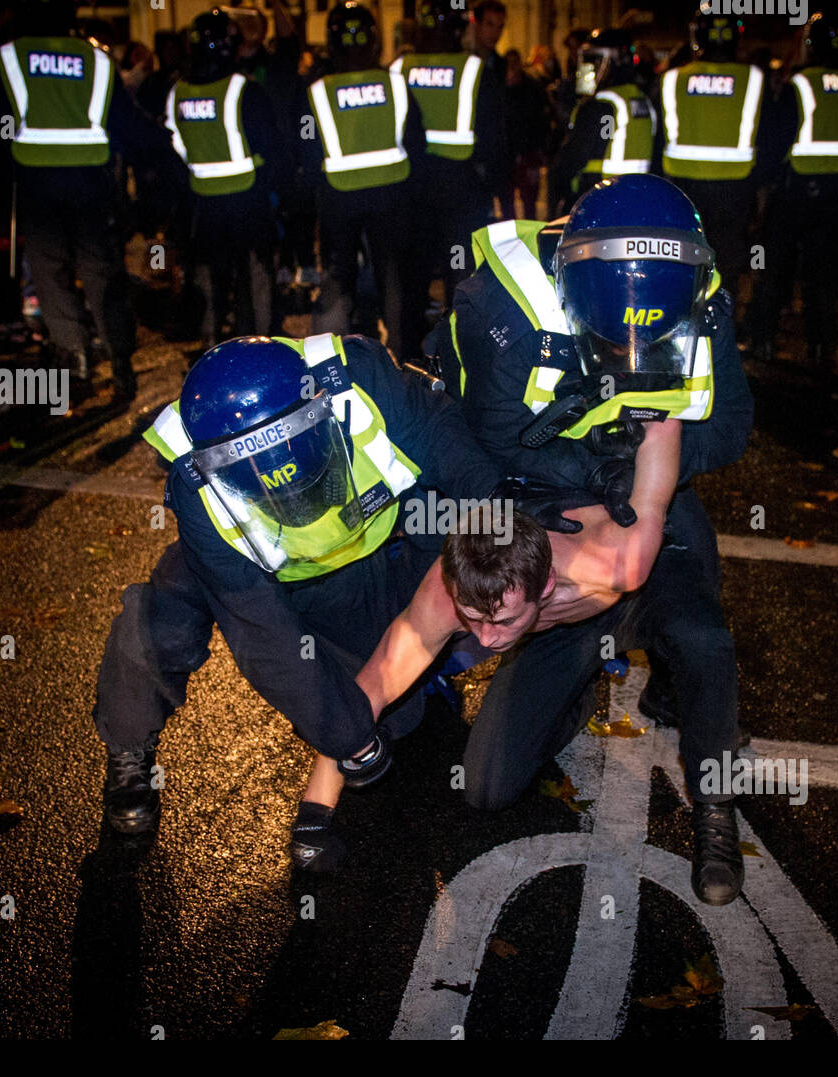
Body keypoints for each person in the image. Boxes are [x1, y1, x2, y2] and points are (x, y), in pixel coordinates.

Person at [423, 175, 754, 905]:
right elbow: (488, 443)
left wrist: (634, 478)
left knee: (703, 637)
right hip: (544, 507)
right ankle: (582, 665)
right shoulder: (496, 305)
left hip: (645, 493)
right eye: (612, 335)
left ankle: (716, 805)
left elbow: (728, 426)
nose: (630, 350)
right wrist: (597, 471)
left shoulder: (697, 293)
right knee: (485, 788)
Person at [93, 331, 504, 835]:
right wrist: (347, 736)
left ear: (323, 407)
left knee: (398, 719)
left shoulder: (365, 383)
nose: (287, 490)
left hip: (375, 550)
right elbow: (263, 633)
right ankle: (129, 746)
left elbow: (466, 468)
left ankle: (420, 659)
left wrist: (513, 540)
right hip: (269, 575)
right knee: (162, 615)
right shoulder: (194, 482)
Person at [0, 0, 176, 400]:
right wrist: (165, 148)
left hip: (38, 185)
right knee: (102, 276)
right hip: (91, 186)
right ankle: (120, 359)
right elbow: (124, 123)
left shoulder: (10, 58)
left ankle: (75, 355)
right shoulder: (95, 60)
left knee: (50, 273)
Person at [747, 12, 838, 368]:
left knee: (775, 271)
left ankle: (764, 341)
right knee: (824, 277)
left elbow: (774, 139)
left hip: (795, 190)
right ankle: (822, 347)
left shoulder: (801, 84)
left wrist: (764, 187)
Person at [301, 0, 424, 357]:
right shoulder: (396, 85)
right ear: (373, 41)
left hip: (339, 199)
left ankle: (330, 361)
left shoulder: (316, 91)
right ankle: (402, 359)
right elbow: (417, 142)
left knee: (339, 277)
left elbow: (307, 148)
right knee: (393, 279)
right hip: (392, 196)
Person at [391, 0, 504, 349]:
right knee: (461, 278)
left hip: (410, 187)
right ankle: (460, 355)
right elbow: (495, 135)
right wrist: (490, 187)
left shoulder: (398, 68)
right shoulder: (474, 69)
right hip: (461, 188)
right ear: (461, 28)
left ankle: (409, 358)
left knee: (413, 278)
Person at [167, 9, 283, 345]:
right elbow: (272, 147)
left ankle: (210, 346)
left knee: (209, 282)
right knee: (255, 280)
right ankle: (259, 347)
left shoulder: (178, 92)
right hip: (248, 201)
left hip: (202, 205)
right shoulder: (243, 89)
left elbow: (173, 149)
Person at [657, 6, 768, 307]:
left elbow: (659, 136)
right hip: (735, 188)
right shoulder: (754, 78)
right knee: (726, 262)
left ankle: (682, 321)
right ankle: (721, 323)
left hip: (682, 187)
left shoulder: (672, 79)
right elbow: (767, 135)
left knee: (684, 258)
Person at [547, 27, 658, 215]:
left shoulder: (602, 105)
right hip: (635, 201)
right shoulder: (641, 100)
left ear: (613, 61)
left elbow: (572, 159)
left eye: (595, 60)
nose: (589, 68)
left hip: (595, 200)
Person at [498, 48, 553, 221]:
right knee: (506, 201)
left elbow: (541, 120)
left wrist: (541, 149)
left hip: (528, 151)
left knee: (529, 200)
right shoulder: (498, 87)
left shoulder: (532, 87)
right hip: (506, 153)